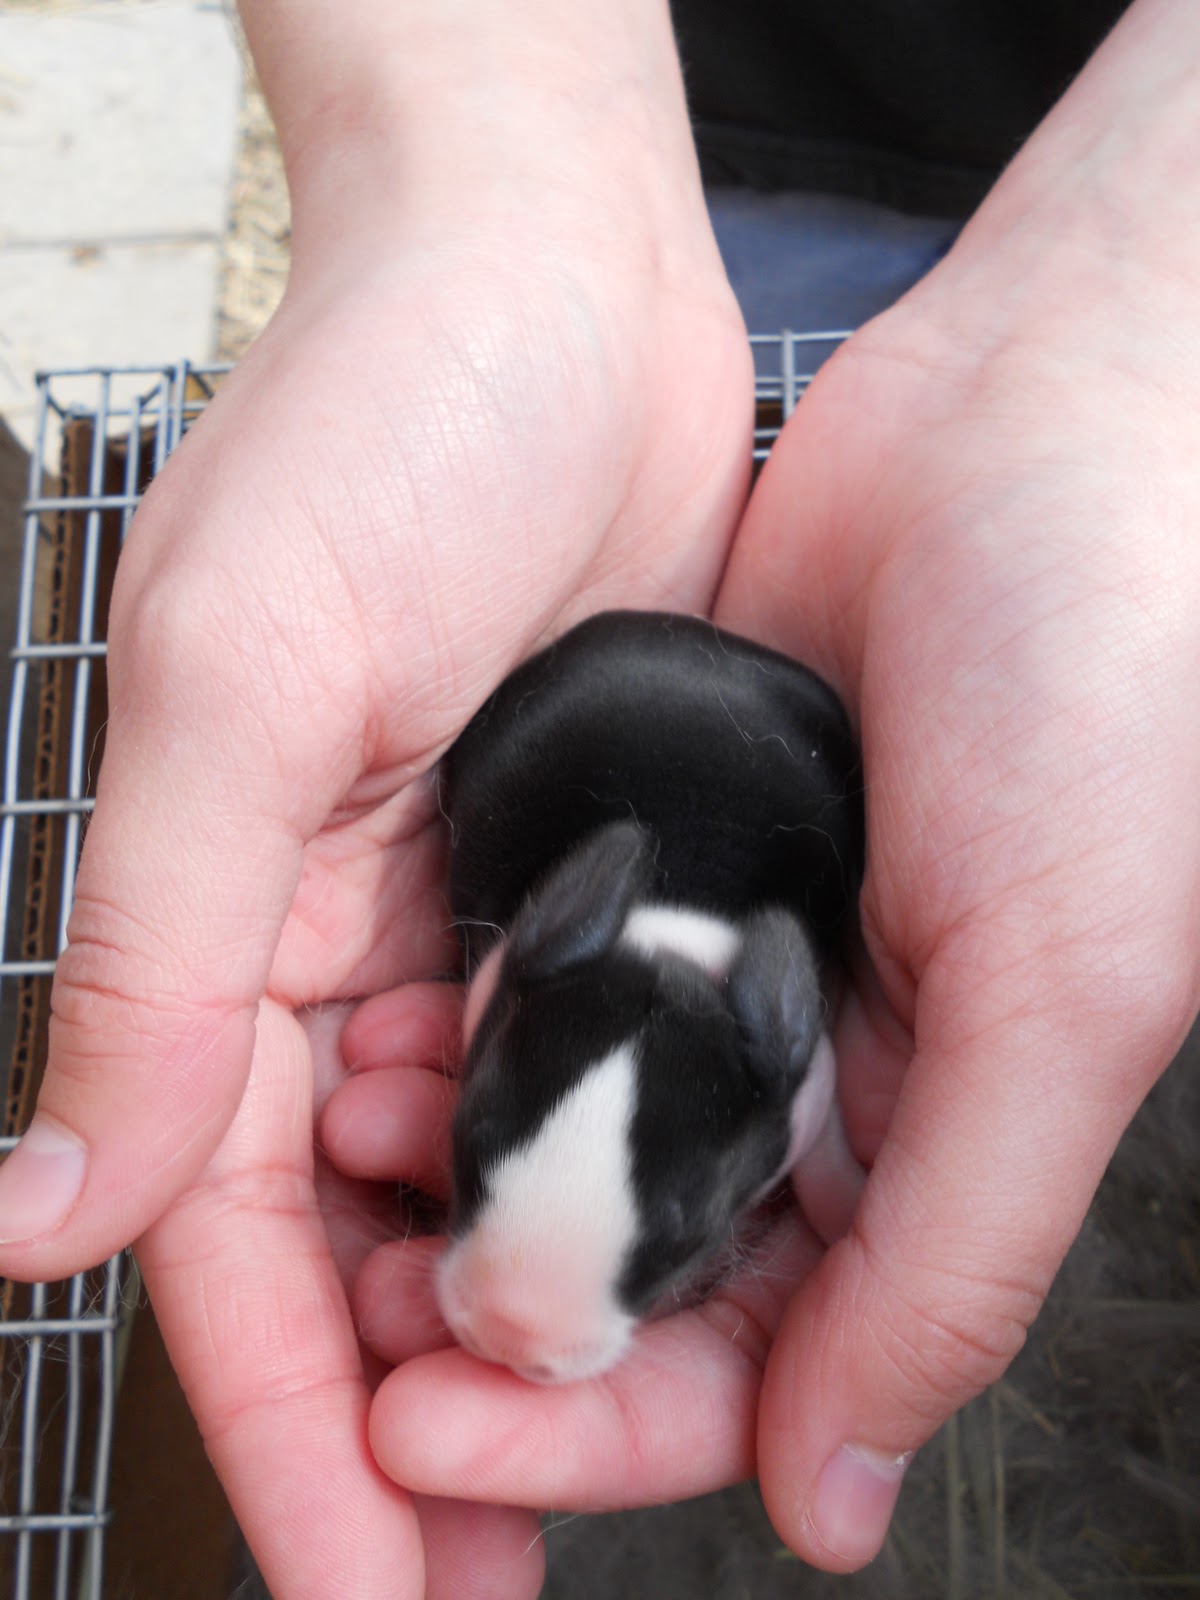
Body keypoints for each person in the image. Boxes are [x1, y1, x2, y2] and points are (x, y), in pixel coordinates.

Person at [1, 0, 1197, 1594]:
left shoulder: (747, 1043)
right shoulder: (701, 1038)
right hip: (683, 159)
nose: (501, 1316)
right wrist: (482, 165)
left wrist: (1152, 298)